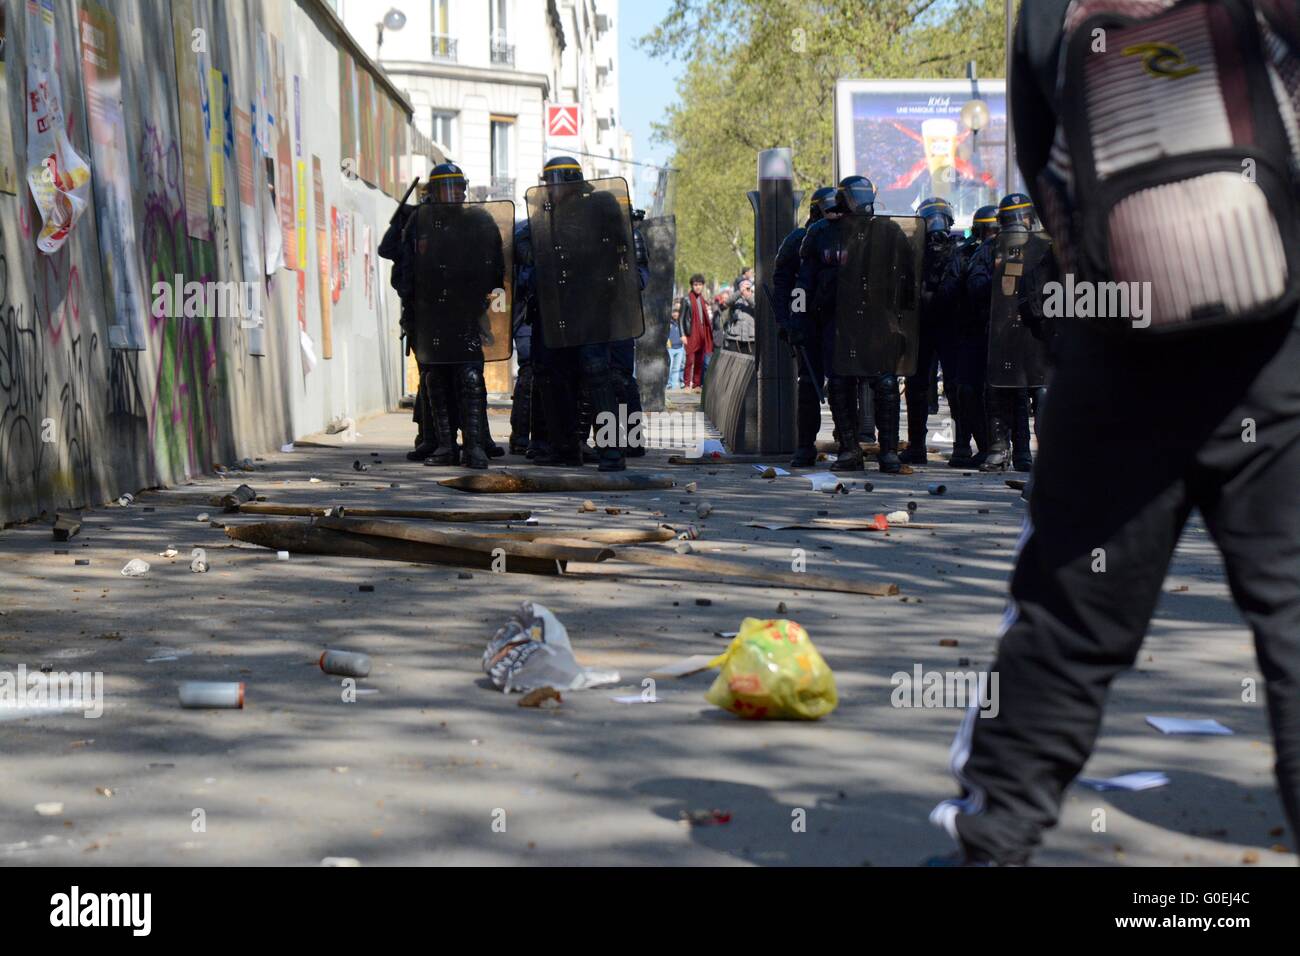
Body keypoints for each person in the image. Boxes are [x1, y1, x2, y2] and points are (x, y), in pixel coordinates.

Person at [930, 0, 1300, 866]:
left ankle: (995, 839)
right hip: (1279, 341)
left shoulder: (1053, 11)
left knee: (1065, 616)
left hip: (1122, 346)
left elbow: (1046, 162)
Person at [515, 156, 648, 471]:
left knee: (598, 374)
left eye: (554, 183)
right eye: (547, 184)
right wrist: (533, 268)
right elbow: (525, 255)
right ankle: (564, 447)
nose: (549, 189)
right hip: (555, 312)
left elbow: (620, 252)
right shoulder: (540, 219)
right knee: (552, 377)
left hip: (589, 309)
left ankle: (612, 450)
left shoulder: (599, 207)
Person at [796, 175, 911, 474]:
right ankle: (849, 449)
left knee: (885, 383)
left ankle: (888, 451)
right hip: (835, 319)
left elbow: (907, 276)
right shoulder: (821, 233)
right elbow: (804, 282)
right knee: (839, 383)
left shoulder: (888, 232)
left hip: (876, 320)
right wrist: (799, 319)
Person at [402, 163, 506, 470]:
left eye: (458, 187)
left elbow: (495, 266)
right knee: (437, 379)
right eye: (447, 188)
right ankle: (446, 446)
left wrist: (480, 296)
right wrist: (414, 303)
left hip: (465, 312)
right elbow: (403, 269)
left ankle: (474, 447)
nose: (455, 193)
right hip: (430, 314)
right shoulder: (418, 223)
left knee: (470, 377)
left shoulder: (478, 221)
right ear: (433, 192)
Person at [774, 185, 836, 467]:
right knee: (809, 384)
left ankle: (849, 443)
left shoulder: (844, 237)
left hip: (838, 322)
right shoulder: (799, 240)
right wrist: (787, 321)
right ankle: (804, 445)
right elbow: (785, 286)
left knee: (842, 382)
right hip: (808, 321)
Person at [938, 204, 998, 468]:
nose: (994, 235)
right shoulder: (965, 256)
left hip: (1004, 333)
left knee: (1006, 395)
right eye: (990, 230)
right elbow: (948, 294)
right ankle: (976, 446)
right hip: (972, 332)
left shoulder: (1021, 254)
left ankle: (1013, 451)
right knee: (965, 390)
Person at [901, 197, 959, 466]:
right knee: (918, 387)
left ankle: (961, 448)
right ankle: (918, 446)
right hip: (925, 328)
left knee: (957, 388)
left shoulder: (957, 254)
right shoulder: (912, 255)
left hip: (945, 328)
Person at [681, 274, 713, 391]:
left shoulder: (703, 300)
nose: (698, 287)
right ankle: (686, 384)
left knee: (700, 359)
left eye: (700, 285)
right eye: (695, 285)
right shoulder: (686, 299)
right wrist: (682, 334)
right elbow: (681, 318)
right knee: (689, 360)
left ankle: (697, 384)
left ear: (703, 286)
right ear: (692, 285)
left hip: (702, 332)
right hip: (691, 333)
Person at [724, 279, 756, 354]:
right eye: (743, 288)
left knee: (750, 363)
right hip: (734, 337)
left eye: (748, 288)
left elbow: (756, 306)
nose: (745, 290)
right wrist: (739, 292)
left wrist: (748, 296)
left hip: (751, 339)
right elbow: (727, 302)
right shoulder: (736, 299)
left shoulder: (755, 298)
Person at [667, 301, 686, 390]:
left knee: (677, 368)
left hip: (680, 348)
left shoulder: (681, 323)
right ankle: (668, 384)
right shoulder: (668, 323)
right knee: (669, 367)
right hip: (670, 348)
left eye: (677, 312)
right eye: (673, 312)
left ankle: (674, 385)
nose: (675, 314)